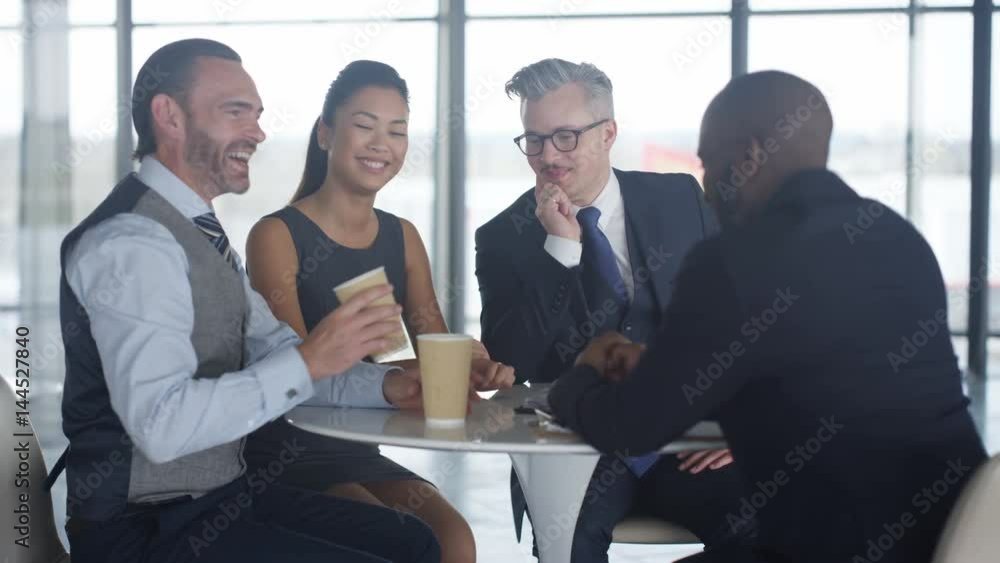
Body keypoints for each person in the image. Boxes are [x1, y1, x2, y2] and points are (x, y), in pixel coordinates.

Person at [548, 70, 988, 563]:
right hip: (962, 536)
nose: (708, 186)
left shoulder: (734, 260)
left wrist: (582, 373)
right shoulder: (898, 237)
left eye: (710, 163)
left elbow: (629, 428)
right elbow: (823, 376)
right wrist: (661, 368)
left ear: (750, 156)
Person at [55, 39, 442, 563]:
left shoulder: (201, 233)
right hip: (143, 529)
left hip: (216, 501)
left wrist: (392, 387)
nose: (258, 132)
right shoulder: (131, 243)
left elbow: (282, 359)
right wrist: (309, 358)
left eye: (256, 116)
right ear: (168, 115)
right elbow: (162, 428)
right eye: (236, 112)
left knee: (415, 541)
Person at [474, 58, 753, 562]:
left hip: (684, 437)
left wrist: (748, 423)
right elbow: (510, 360)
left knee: (764, 521)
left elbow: (743, 319)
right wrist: (560, 252)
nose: (546, 155)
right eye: (533, 139)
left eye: (565, 136)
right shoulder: (502, 238)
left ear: (608, 134)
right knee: (568, 543)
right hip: (576, 449)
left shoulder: (679, 198)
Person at [243, 60, 514, 563]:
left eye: (397, 131)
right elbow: (297, 373)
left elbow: (434, 347)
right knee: (394, 542)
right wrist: (415, 374)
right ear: (325, 134)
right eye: (364, 126)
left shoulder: (402, 236)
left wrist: (468, 369)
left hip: (358, 450)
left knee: (456, 543)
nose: (381, 144)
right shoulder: (276, 235)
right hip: (288, 453)